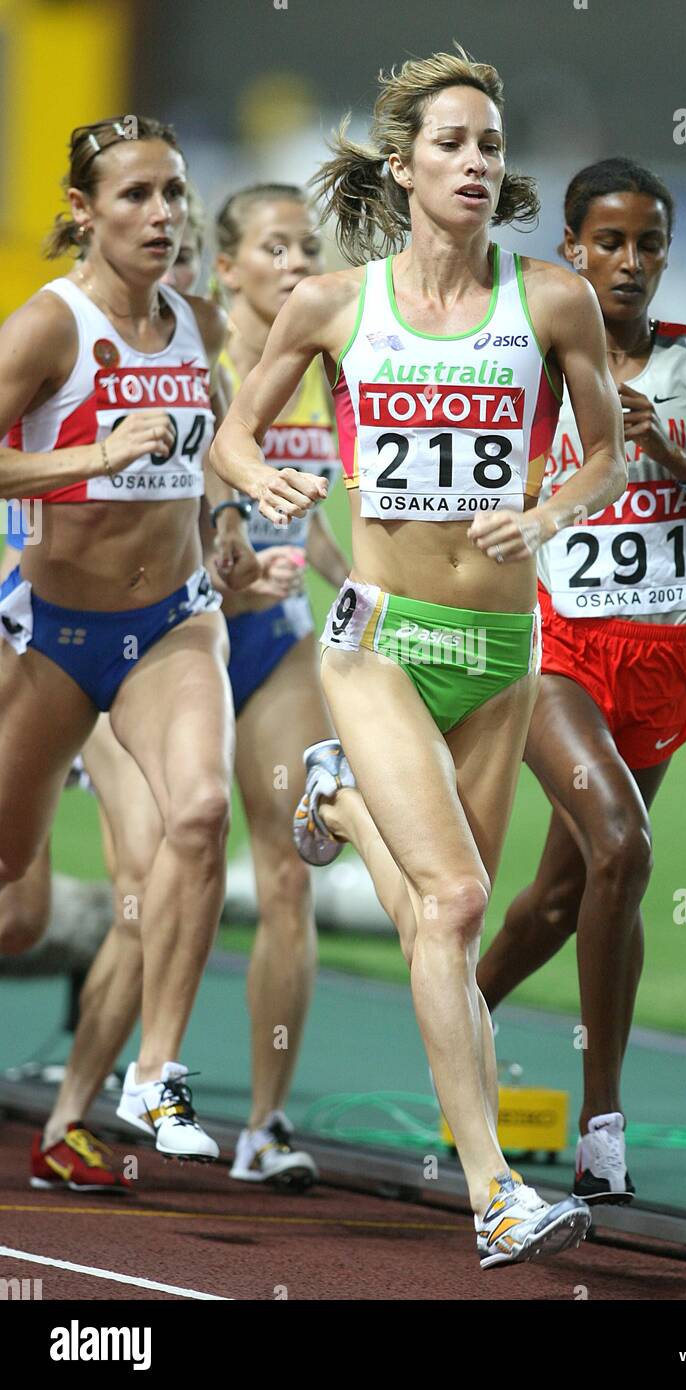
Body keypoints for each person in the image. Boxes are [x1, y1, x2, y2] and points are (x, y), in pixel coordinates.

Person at [211, 49, 627, 1268]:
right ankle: (497, 1196)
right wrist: (263, 472)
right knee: (451, 899)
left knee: (430, 928)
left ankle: (334, 788)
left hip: (504, 650)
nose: (476, 161)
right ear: (403, 167)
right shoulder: (337, 305)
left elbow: (600, 449)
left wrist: (547, 516)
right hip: (380, 642)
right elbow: (237, 431)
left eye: (490, 145)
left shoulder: (550, 300)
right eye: (451, 142)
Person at [473, 158, 686, 1202]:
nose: (629, 261)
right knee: (623, 844)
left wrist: (684, 461)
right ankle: (603, 1119)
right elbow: (488, 483)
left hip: (662, 657)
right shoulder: (538, 358)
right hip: (557, 648)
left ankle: (456, 1009)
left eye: (648, 243)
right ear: (571, 248)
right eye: (607, 241)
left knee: (566, 895)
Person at [22, 181, 349, 1192]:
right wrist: (217, 533)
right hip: (101, 636)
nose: (299, 266)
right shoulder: (172, 340)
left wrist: (347, 589)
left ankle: (255, 1118)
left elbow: (326, 521)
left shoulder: (323, 368)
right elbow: (180, 470)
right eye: (279, 248)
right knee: (104, 894)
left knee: (281, 862)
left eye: (310, 248)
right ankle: (83, 1103)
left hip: (239, 635)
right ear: (230, 266)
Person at [0, 116, 276, 1164]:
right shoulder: (49, 328)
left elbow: (216, 450)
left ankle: (153, 1073)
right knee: (12, 882)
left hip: (172, 621)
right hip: (52, 635)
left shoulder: (197, 321)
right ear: (82, 210)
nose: (162, 215)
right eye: (134, 197)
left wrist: (234, 522)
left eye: (173, 193)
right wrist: (90, 453)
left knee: (200, 814)